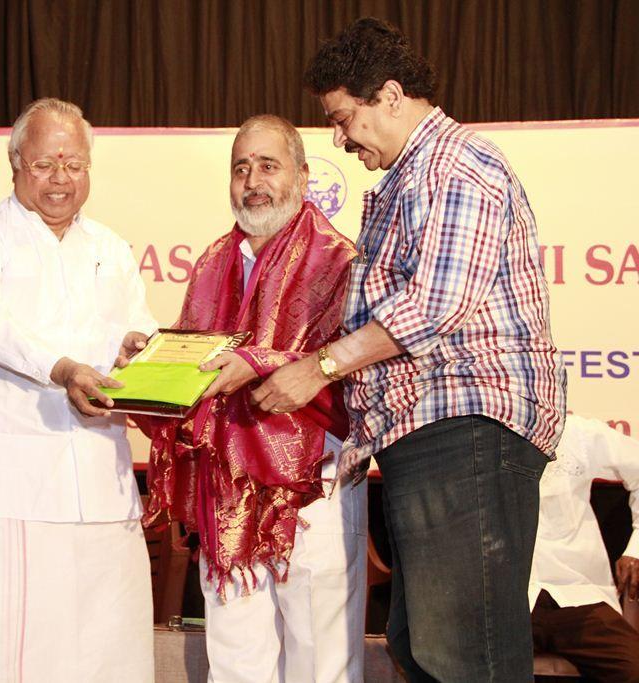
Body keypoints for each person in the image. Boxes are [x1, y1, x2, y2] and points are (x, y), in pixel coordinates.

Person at [251, 18, 566, 681]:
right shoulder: (406, 179)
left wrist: (320, 366)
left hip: (465, 427)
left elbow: (434, 304)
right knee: (422, 648)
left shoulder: (458, 164)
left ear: (390, 95)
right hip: (426, 434)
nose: (339, 137)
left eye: (344, 117)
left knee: (464, 656)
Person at [0, 98, 158, 682]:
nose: (61, 179)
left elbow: (138, 330)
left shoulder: (110, 247)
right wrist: (62, 368)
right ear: (15, 164)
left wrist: (138, 351)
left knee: (104, 647)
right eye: (45, 164)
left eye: (73, 164)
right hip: (1, 483)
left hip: (96, 481)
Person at [141, 115, 365, 682]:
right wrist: (149, 362)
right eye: (241, 167)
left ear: (303, 175)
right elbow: (200, 359)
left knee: (322, 661)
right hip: (227, 490)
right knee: (237, 660)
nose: (252, 180)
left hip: (314, 485)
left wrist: (260, 364)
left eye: (268, 165)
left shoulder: (341, 261)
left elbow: (359, 373)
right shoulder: (214, 263)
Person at [530, 414, 639, 681]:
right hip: (504, 601)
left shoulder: (576, 432)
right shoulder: (475, 436)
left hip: (578, 596)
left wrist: (636, 549)